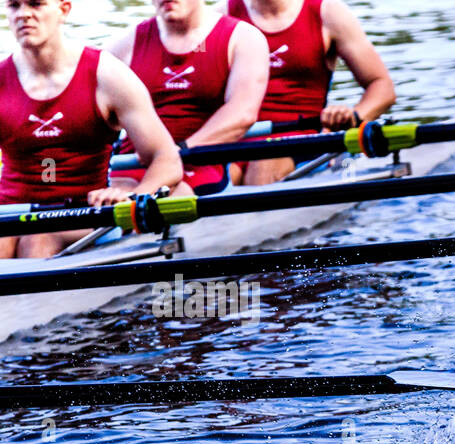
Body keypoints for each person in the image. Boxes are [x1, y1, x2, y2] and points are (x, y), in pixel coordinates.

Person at [0, 0, 181, 258]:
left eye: (36, 4)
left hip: (86, 215)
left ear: (63, 10)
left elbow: (167, 159)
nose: (24, 14)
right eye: (14, 6)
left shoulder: (107, 75)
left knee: (38, 240)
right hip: (12, 212)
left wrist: (132, 196)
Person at [108, 0, 267, 197]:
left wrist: (177, 151)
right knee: (106, 200)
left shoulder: (244, 38)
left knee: (165, 198)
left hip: (199, 161)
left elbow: (242, 114)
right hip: (134, 161)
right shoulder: (124, 45)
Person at [226, 0, 394, 185]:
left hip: (303, 137)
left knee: (264, 164)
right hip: (238, 137)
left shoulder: (328, 14)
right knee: (215, 175)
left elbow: (381, 86)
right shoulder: (223, 15)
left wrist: (351, 118)